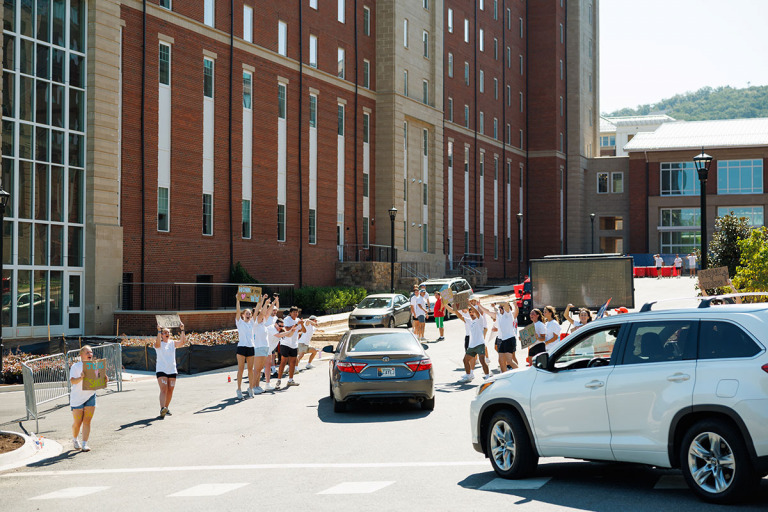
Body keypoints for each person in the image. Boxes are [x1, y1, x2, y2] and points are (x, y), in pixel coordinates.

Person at [69, 345, 104, 451]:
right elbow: (73, 381)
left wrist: (104, 379)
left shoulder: (95, 365)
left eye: (91, 352)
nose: (90, 354)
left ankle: (84, 444)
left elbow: (98, 379)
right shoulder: (75, 366)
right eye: (87, 352)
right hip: (77, 398)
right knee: (78, 422)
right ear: (81, 355)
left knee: (87, 421)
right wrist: (81, 377)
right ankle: (75, 439)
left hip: (90, 396)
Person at [155, 322, 187, 418]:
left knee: (170, 390)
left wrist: (182, 329)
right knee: (163, 389)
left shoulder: (172, 343)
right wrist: (159, 331)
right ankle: (162, 408)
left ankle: (166, 408)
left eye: (168, 332)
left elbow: (182, 342)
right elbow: (157, 344)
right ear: (162, 335)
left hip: (172, 369)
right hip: (161, 369)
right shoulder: (159, 343)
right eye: (164, 332)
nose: (167, 334)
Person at [452, 304, 491, 382]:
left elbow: (477, 312)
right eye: (470, 312)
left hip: (480, 344)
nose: (471, 313)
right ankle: (468, 376)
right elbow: (460, 316)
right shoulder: (469, 321)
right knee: (465, 360)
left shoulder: (479, 319)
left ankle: (487, 377)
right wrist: (455, 309)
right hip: (472, 345)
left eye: (472, 312)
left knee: (482, 361)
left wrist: (469, 304)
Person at [479, 301, 519, 373]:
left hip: (509, 339)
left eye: (501, 307)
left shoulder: (508, 314)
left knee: (509, 361)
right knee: (501, 361)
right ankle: (504, 375)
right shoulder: (498, 315)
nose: (500, 308)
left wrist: (496, 303)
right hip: (501, 340)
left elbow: (506, 304)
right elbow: (487, 312)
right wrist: (479, 305)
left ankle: (519, 373)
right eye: (499, 307)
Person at [235, 296, 259, 399]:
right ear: (243, 315)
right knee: (240, 369)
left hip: (250, 347)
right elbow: (237, 311)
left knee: (250, 369)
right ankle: (239, 389)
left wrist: (260, 301)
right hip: (241, 347)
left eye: (250, 313)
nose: (248, 315)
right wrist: (238, 300)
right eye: (247, 313)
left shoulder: (252, 323)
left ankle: (250, 388)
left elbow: (256, 311)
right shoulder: (239, 322)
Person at [266, 315, 299, 391]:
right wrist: (290, 331)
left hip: (269, 351)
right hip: (263, 349)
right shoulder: (271, 328)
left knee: (267, 367)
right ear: (275, 324)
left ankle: (267, 385)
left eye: (282, 326)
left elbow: (289, 335)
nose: (281, 327)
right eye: (280, 326)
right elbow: (279, 335)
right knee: (259, 368)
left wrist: (292, 331)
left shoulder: (281, 329)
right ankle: (254, 386)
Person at [251, 295, 275, 395]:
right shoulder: (255, 323)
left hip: (265, 348)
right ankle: (252, 387)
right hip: (258, 348)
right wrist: (264, 302)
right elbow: (262, 314)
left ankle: (257, 386)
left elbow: (267, 313)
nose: (263, 316)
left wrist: (273, 303)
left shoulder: (262, 323)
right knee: (256, 369)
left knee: (260, 369)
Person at [278, 306, 303, 388]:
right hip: (285, 343)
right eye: (294, 312)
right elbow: (287, 328)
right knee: (283, 362)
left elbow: (301, 330)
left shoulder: (298, 320)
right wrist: (297, 324)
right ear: (290, 313)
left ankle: (290, 380)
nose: (296, 314)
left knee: (292, 363)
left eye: (297, 312)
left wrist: (302, 324)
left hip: (294, 344)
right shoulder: (286, 319)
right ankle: (279, 380)